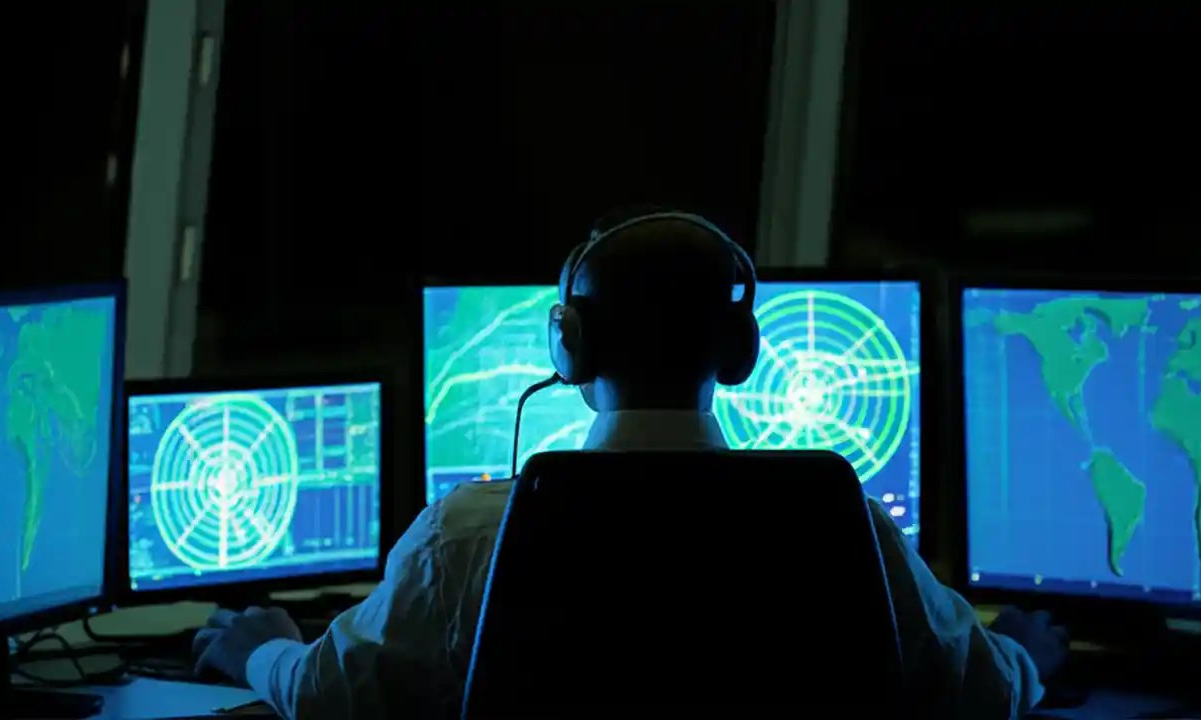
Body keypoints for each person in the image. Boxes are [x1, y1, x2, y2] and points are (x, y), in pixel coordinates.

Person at [192, 209, 1067, 719]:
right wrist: (1024, 655)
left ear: (567, 351)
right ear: (739, 352)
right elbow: (984, 695)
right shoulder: (838, 523)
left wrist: (263, 653)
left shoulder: (467, 535)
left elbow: (331, 696)